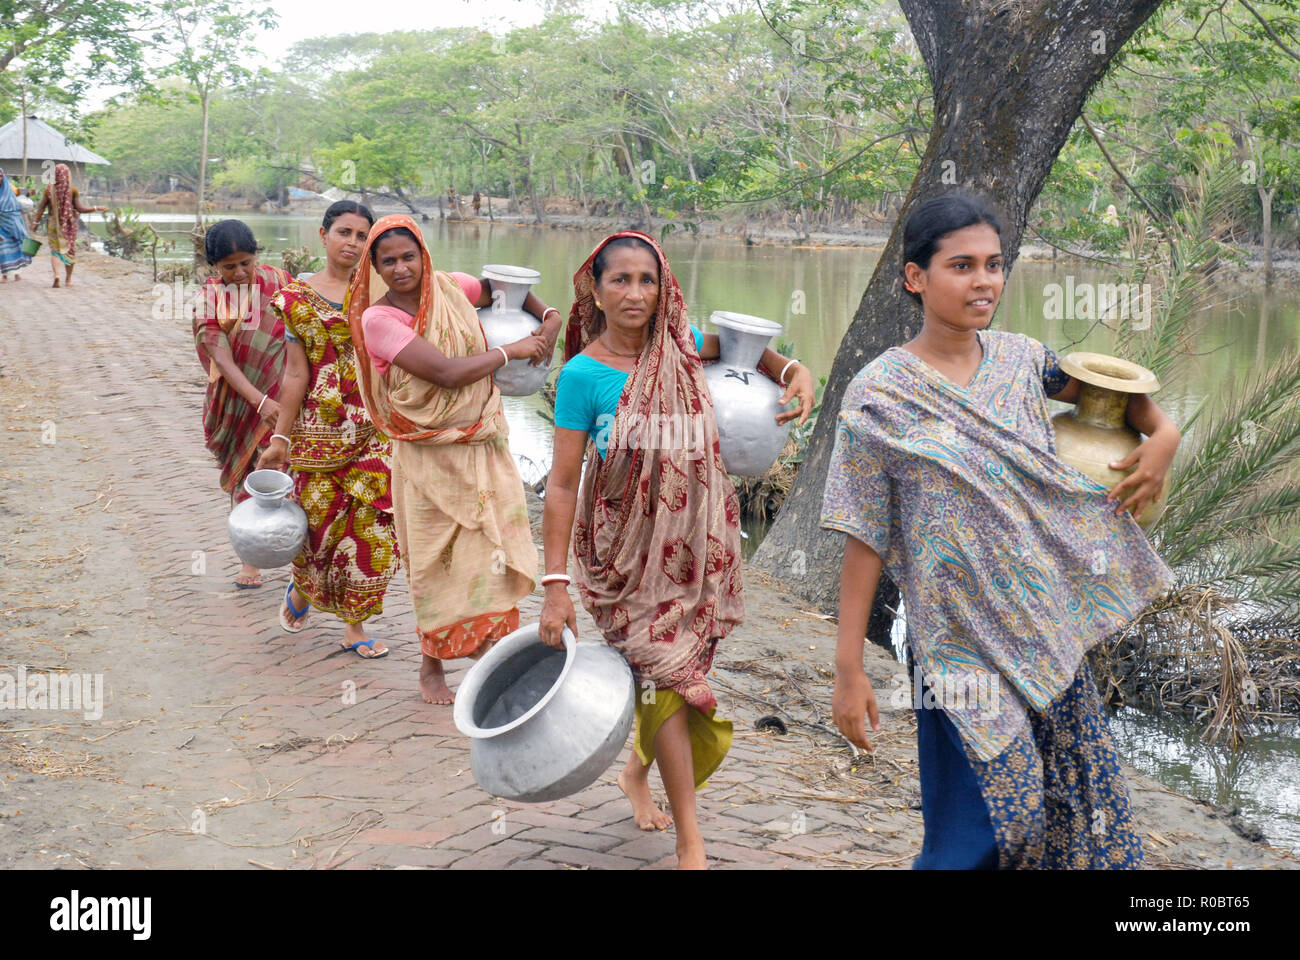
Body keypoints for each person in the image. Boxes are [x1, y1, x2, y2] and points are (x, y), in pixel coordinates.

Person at [823, 192, 1180, 869]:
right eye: (961, 265)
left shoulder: (1025, 362)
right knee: (981, 832)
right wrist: (848, 667)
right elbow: (862, 531)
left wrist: (1165, 434)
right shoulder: (880, 392)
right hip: (954, 646)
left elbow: (1113, 394)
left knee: (1068, 822)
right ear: (915, 277)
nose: (983, 281)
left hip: (1045, 635)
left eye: (993, 264)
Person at [538, 231, 815, 869]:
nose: (635, 294)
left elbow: (757, 356)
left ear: (665, 288)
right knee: (667, 674)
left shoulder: (683, 349)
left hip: (698, 552)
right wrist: (555, 584)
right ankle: (692, 841)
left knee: (672, 678)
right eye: (620, 281)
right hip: (623, 558)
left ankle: (638, 772)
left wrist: (794, 372)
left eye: (648, 280)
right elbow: (560, 485)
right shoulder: (582, 375)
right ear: (595, 290)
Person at [347, 215, 563, 701]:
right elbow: (444, 373)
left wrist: (549, 318)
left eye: (409, 257)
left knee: (490, 550)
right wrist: (512, 351)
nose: (402, 269)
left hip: (480, 446)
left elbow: (510, 290)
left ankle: (497, 654)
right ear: (375, 269)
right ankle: (432, 668)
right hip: (426, 454)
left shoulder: (450, 288)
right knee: (434, 560)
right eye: (389, 262)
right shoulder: (377, 320)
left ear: (424, 255)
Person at [257, 201, 399, 658]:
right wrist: (280, 437)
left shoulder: (386, 293)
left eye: (363, 236)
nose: (352, 243)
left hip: (375, 425)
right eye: (344, 232)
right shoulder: (298, 297)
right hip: (318, 432)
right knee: (318, 531)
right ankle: (303, 590)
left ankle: (355, 626)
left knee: (374, 531)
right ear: (323, 235)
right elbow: (296, 373)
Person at [193, 219, 294, 589]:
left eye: (246, 263)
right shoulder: (212, 297)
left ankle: (296, 552)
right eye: (229, 267)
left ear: (257, 256)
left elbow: (304, 332)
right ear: (214, 267)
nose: (240, 273)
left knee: (288, 473)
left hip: (286, 395)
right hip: (237, 402)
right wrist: (259, 401)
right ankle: (249, 559)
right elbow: (221, 358)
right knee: (245, 473)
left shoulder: (282, 283)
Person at [31, 163, 106, 287]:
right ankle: (68, 280)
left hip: (53, 225)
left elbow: (41, 208)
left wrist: (36, 223)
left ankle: (56, 276)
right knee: (70, 251)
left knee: (55, 251)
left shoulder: (49, 189)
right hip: (68, 225)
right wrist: (97, 207)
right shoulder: (72, 190)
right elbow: (80, 209)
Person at [0, 168, 32, 282]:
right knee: (3, 250)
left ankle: (17, 273)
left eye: (0, 176)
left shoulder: (11, 188)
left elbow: (20, 198)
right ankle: (4, 275)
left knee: (17, 247)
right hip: (1, 227)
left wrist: (29, 193)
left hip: (13, 224)